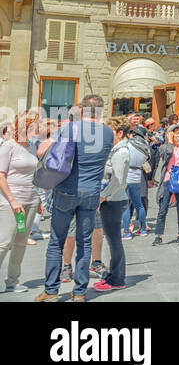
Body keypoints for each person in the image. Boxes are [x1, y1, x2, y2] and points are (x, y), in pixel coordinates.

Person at [36, 95, 112, 302]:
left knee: (56, 242)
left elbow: (42, 150)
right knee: (85, 242)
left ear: (82, 110)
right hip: (91, 192)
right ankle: (79, 292)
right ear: (101, 111)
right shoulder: (108, 132)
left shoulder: (70, 128)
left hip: (67, 190)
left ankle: (51, 291)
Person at [0, 112, 41, 293]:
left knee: (21, 241)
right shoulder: (8, 146)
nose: (39, 128)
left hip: (30, 200)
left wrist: (38, 198)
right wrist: (13, 201)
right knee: (4, 241)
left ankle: (13, 281)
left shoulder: (32, 146)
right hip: (11, 202)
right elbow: (1, 176)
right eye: (36, 124)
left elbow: (35, 174)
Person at [94, 119, 131, 293]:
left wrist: (103, 197)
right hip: (112, 199)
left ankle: (117, 279)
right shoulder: (116, 150)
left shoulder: (121, 152)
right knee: (113, 240)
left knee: (114, 241)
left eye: (109, 131)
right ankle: (114, 276)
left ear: (119, 133)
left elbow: (117, 180)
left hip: (114, 200)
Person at [152, 124, 179, 246]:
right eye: (175, 132)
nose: (178, 135)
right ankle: (158, 235)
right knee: (162, 209)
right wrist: (170, 141)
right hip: (167, 180)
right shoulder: (164, 147)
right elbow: (167, 155)